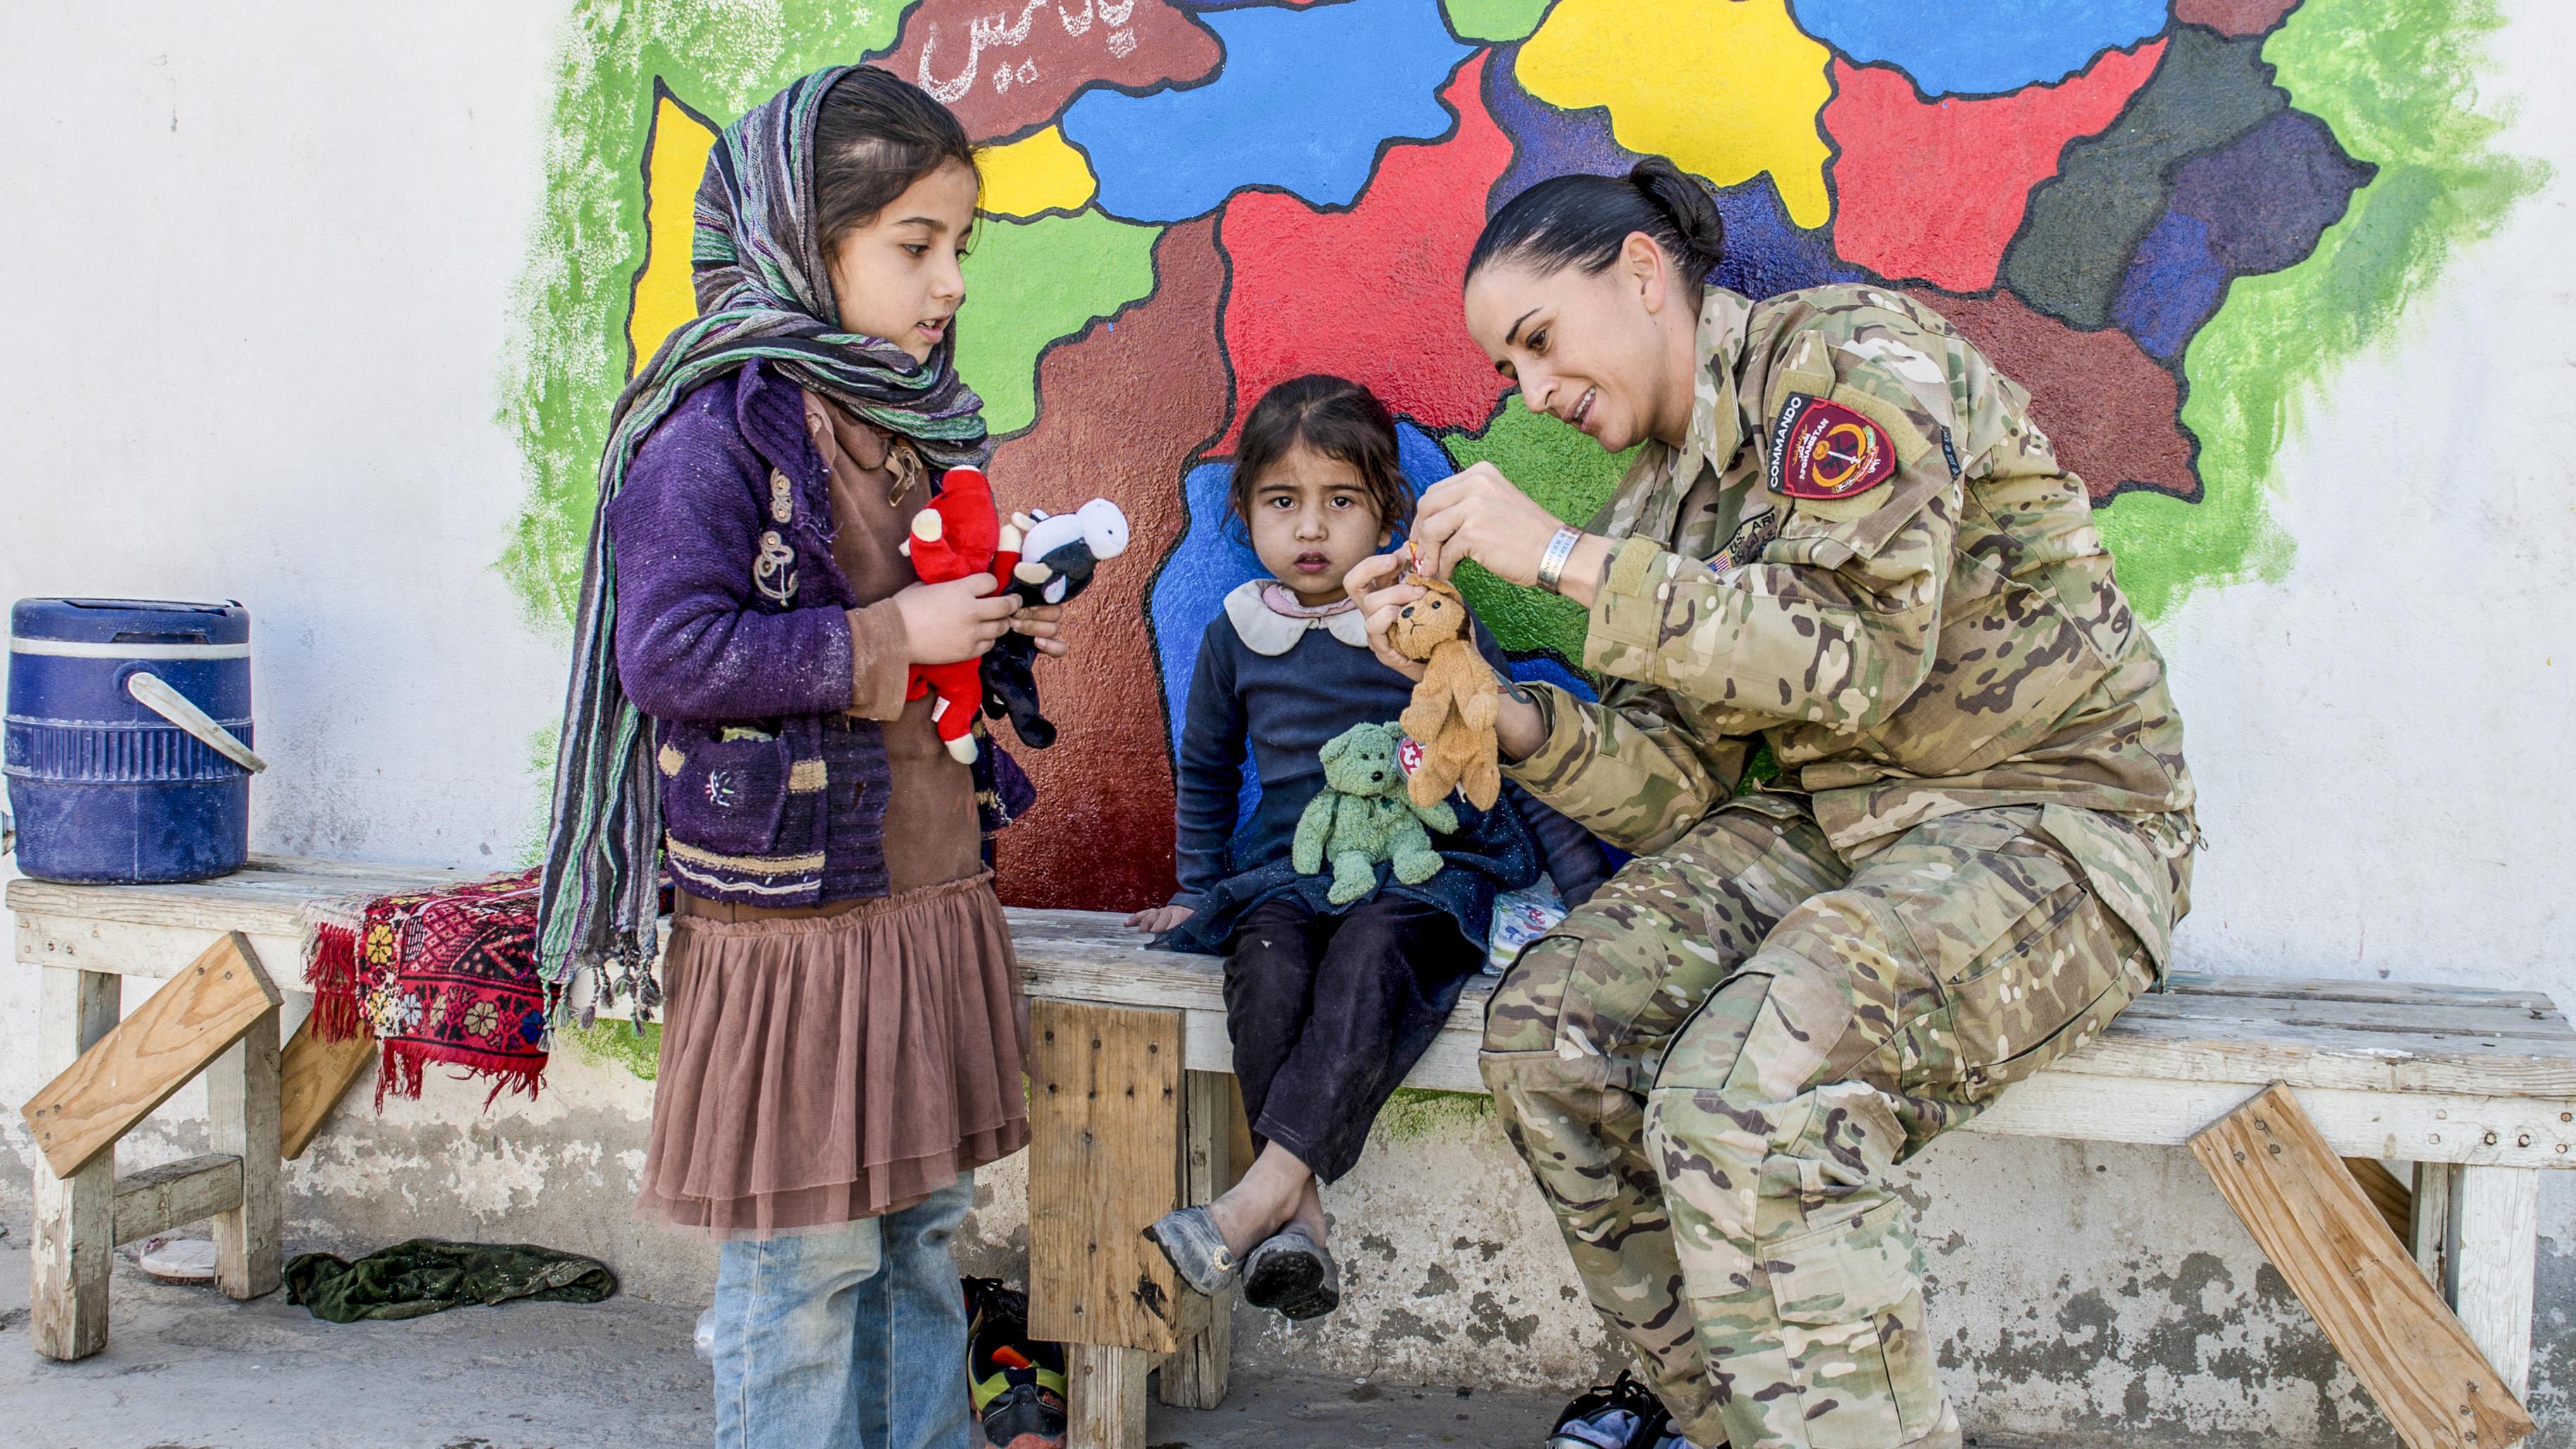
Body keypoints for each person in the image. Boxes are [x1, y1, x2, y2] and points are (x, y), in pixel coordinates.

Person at [1351, 158, 2196, 1449]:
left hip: (2053, 816)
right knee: (1549, 1038)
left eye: (1538, 341)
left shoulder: (1846, 358)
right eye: (1508, 371)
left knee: (1747, 1099)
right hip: (1838, 823)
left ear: (1641, 275)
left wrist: (1563, 558)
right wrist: (1506, 715)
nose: (1534, 392)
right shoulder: (1657, 501)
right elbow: (1677, 784)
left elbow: (1853, 655)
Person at [534, 67, 1062, 1449]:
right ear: (799, 239)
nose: (948, 281)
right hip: (795, 929)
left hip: (920, 898)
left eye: (961, 246)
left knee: (915, 1241)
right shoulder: (716, 424)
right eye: (913, 246)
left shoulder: (902, 412)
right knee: (807, 1261)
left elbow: (908, 614)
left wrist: (985, 621)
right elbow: (670, 656)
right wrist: (890, 629)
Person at [1127, 375, 1606, 1322]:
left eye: (1339, 502)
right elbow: (1209, 767)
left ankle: (1259, 1199)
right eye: (1282, 503)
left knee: (1370, 955)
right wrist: (1195, 888)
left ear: (1383, 512)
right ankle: (1298, 1216)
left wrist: (1592, 896)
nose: (1310, 528)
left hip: (1424, 877)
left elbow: (1507, 741)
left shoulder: (1419, 618)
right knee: (1263, 970)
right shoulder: (1237, 635)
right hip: (1287, 875)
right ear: (1247, 514)